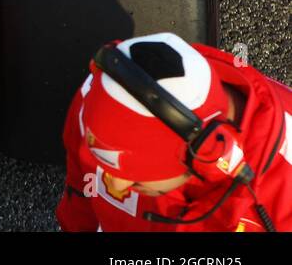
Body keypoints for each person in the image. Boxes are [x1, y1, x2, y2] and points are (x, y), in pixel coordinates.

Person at [57, 32, 292, 232]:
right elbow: (79, 195)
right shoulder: (99, 96)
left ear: (210, 153)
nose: (115, 185)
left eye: (137, 177)